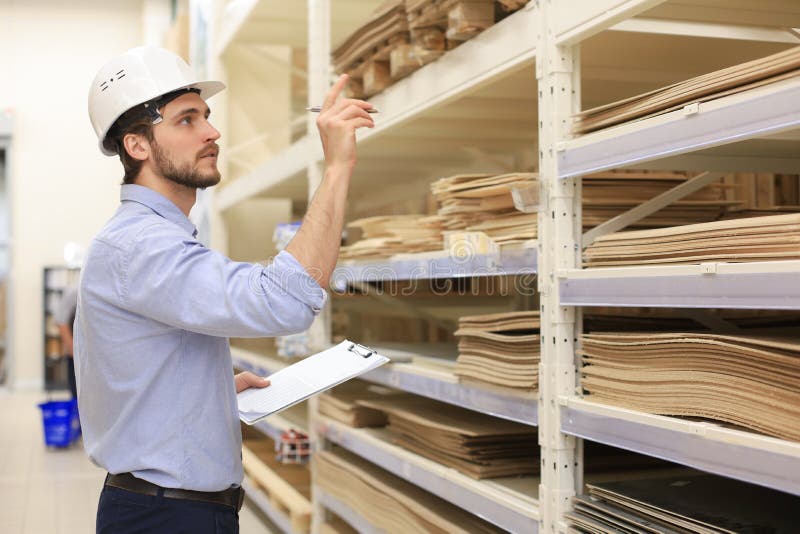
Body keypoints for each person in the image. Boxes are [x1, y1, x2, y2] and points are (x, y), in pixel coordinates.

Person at [77, 46, 374, 534]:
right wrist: (337, 167)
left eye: (207, 117)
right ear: (137, 146)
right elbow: (286, 299)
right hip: (166, 517)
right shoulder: (143, 245)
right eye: (187, 120)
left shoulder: (145, 239)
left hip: (165, 509)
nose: (213, 132)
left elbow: (128, 373)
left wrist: (206, 389)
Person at [54, 284, 78, 399]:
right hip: (76, 354)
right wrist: (74, 351)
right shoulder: (74, 292)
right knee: (77, 395)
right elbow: (61, 322)